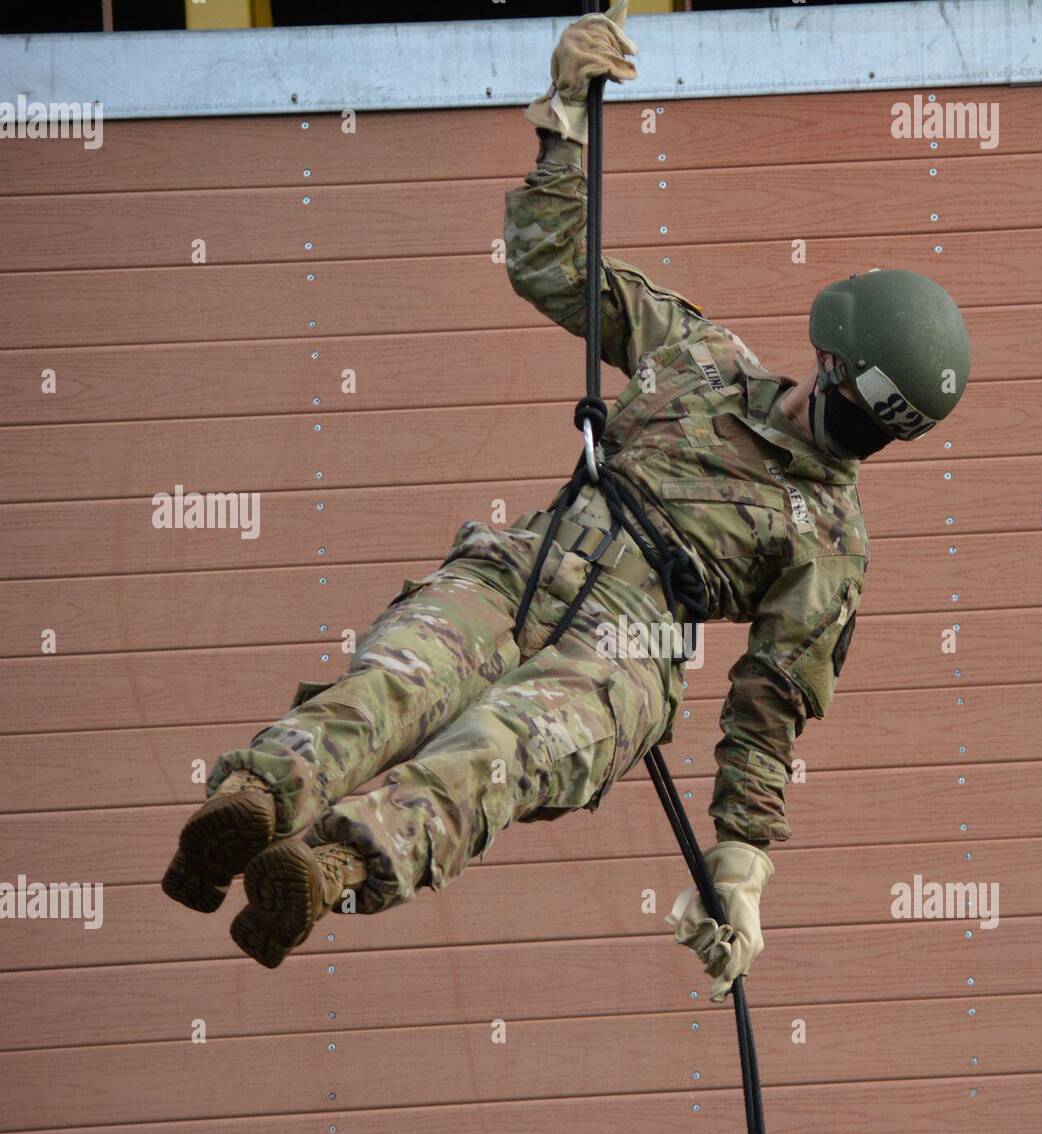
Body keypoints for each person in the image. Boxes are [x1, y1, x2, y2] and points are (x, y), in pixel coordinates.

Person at [161, 4, 970, 1002]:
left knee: (499, 749)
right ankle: (248, 805)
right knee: (401, 681)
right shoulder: (699, 357)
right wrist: (564, 120)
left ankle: (325, 865)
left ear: (836, 349)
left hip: (624, 649)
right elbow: (557, 266)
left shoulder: (829, 541)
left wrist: (740, 871)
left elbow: (770, 710)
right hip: (530, 566)